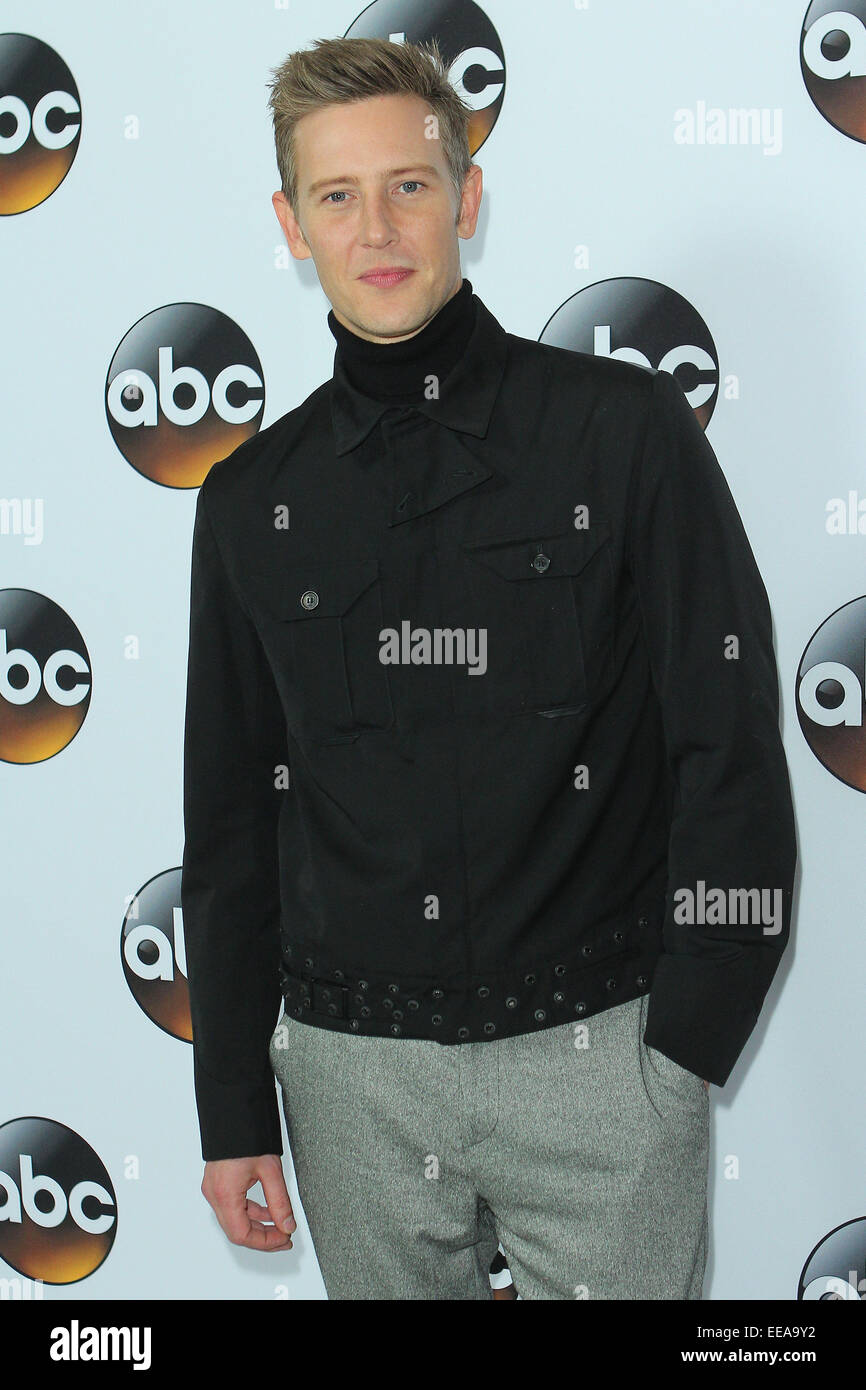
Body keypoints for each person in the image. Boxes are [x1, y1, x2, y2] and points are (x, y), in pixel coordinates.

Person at [180, 35, 797, 1300]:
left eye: (407, 184)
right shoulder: (251, 501)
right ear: (290, 226)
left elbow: (724, 742)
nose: (376, 226)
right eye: (335, 196)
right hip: (352, 1087)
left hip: (602, 1068)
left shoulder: (618, 435)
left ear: (465, 198)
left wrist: (681, 1051)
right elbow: (231, 818)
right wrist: (235, 1102)